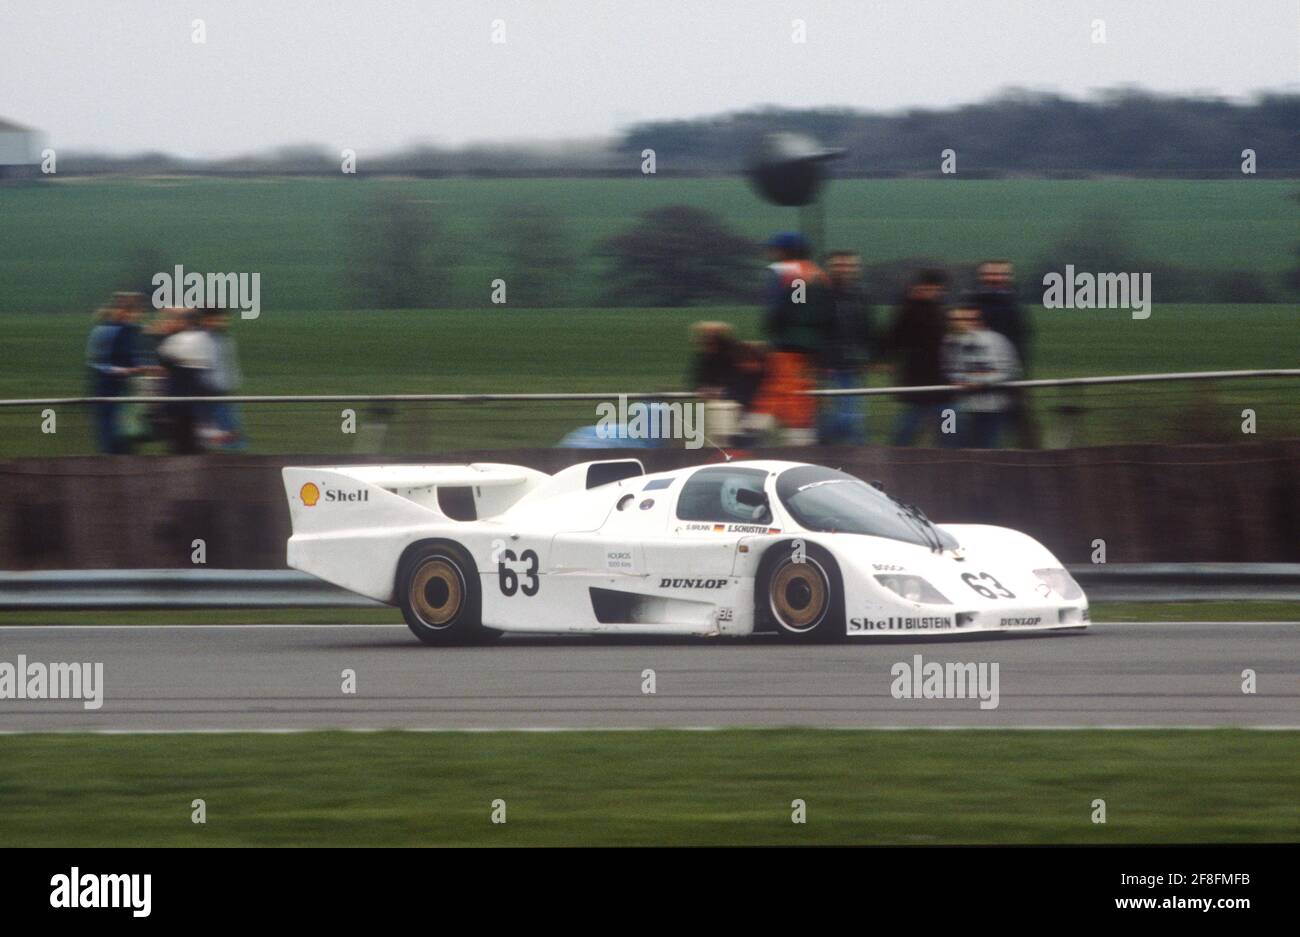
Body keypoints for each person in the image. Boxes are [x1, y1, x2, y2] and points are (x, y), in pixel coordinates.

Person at [750, 232, 830, 446]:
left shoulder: (790, 271)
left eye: (775, 248)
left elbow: (795, 304)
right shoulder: (819, 274)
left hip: (789, 342)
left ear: (785, 250)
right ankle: (802, 439)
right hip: (814, 344)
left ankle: (755, 430)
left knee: (779, 386)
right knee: (801, 392)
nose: (771, 253)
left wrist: (771, 325)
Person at [941, 300, 1022, 449]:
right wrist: (970, 379)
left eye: (972, 319)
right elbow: (949, 369)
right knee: (953, 447)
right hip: (958, 408)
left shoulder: (998, 340)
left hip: (993, 407)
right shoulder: (950, 342)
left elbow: (1009, 369)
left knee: (987, 449)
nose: (968, 323)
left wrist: (981, 381)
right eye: (962, 319)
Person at [973, 259, 1037, 447]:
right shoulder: (974, 305)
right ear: (981, 277)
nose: (994, 278)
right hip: (980, 374)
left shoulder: (1014, 304)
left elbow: (1022, 338)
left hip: (1011, 375)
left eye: (999, 274)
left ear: (1008, 277)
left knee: (1020, 424)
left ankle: (1032, 460)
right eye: (990, 274)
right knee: (984, 422)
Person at [885, 269, 952, 446]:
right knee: (910, 424)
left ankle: (951, 456)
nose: (931, 292)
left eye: (935, 288)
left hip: (945, 383)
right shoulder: (907, 310)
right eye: (926, 288)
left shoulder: (943, 313)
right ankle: (896, 454)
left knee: (948, 427)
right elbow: (893, 338)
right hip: (918, 380)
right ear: (917, 288)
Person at [818, 250, 873, 445]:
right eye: (839, 265)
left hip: (851, 365)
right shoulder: (815, 293)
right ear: (829, 268)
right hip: (823, 366)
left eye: (849, 265)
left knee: (851, 418)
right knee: (823, 416)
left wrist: (871, 356)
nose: (844, 269)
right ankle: (824, 452)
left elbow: (867, 327)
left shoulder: (861, 294)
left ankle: (856, 460)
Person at [84, 292, 148, 454]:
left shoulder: (131, 330)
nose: (129, 315)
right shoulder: (103, 331)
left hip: (126, 392)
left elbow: (136, 356)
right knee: (110, 436)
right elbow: (96, 363)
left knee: (128, 436)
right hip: (105, 390)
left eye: (133, 311)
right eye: (124, 310)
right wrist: (123, 371)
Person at [155, 308, 216, 454]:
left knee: (178, 442)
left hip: (178, 396)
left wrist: (161, 333)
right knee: (196, 441)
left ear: (184, 322)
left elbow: (163, 359)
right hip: (201, 396)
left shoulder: (175, 340)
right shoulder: (207, 339)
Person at [199, 307, 245, 450]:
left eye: (224, 319)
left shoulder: (225, 339)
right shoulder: (200, 340)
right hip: (209, 396)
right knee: (215, 437)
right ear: (205, 320)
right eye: (217, 319)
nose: (222, 322)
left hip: (225, 395)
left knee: (232, 436)